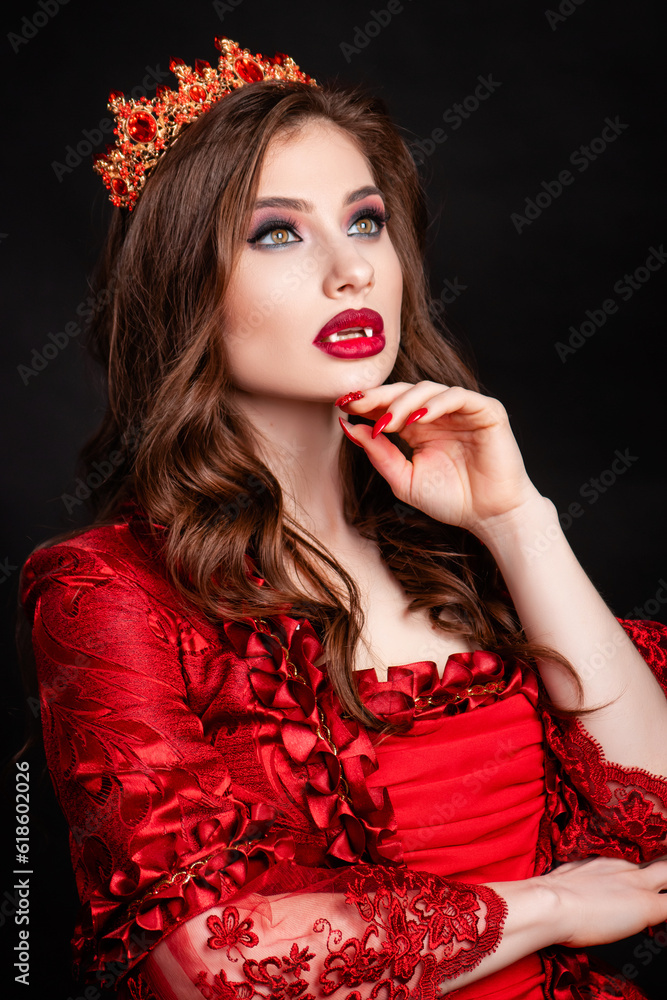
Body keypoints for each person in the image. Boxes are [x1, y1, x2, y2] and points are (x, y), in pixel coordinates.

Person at [18, 35, 667, 1000]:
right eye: (277, 233)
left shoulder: (457, 542)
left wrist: (515, 521)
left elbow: (653, 818)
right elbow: (212, 965)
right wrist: (556, 907)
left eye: (366, 224)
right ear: (184, 282)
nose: (351, 271)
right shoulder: (104, 590)